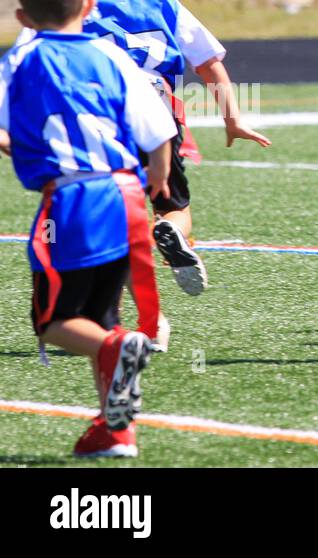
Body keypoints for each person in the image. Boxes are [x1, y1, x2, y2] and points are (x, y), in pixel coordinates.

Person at [18, 0, 275, 351]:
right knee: (173, 207)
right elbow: (208, 62)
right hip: (159, 118)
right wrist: (233, 118)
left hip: (98, 129)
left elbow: (35, 63)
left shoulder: (72, 10)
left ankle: (130, 323)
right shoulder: (165, 5)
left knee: (113, 226)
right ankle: (168, 233)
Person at [1, 0, 178, 457]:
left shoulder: (20, 58)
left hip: (73, 199)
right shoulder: (110, 53)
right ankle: (115, 431)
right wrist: (159, 174)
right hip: (128, 195)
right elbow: (158, 126)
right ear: (89, 7)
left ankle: (117, 348)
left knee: (54, 320)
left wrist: (24, 146)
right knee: (103, 314)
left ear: (22, 18)